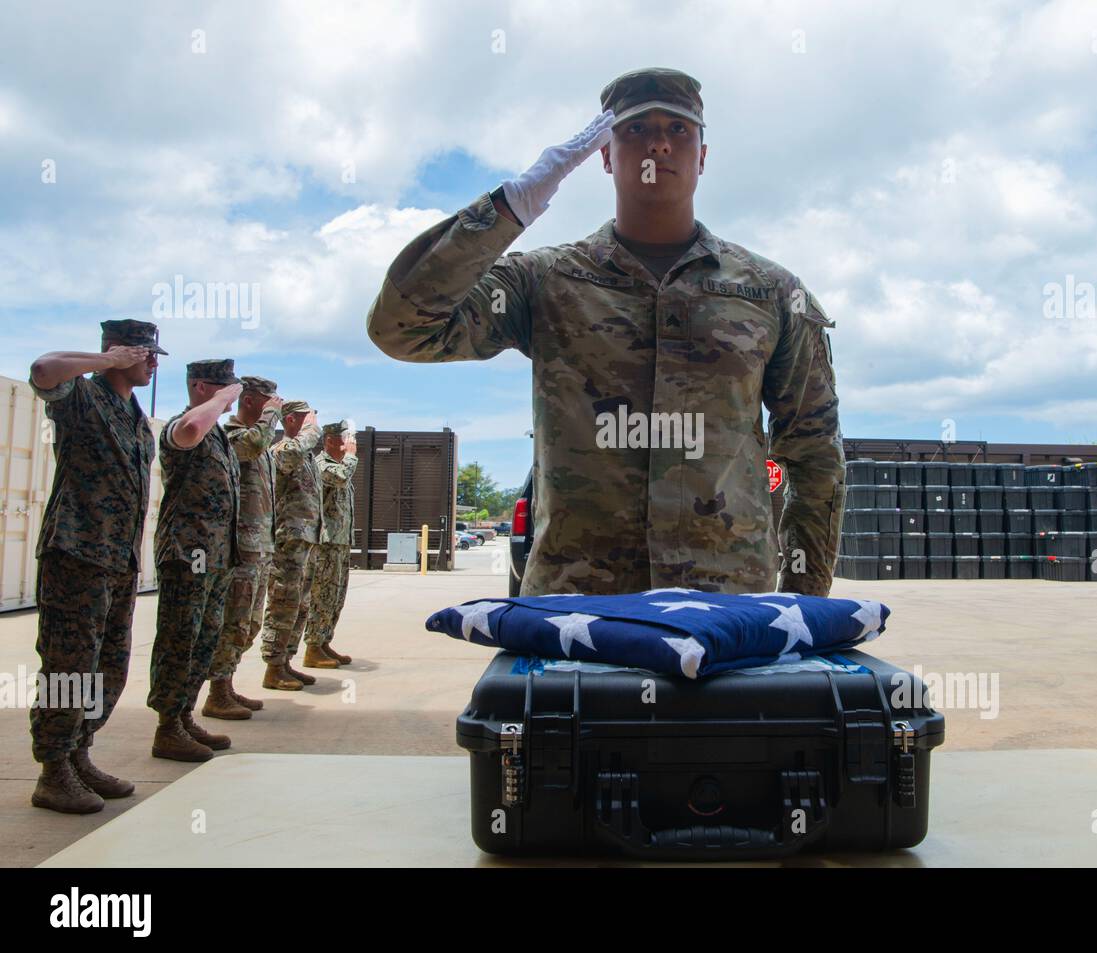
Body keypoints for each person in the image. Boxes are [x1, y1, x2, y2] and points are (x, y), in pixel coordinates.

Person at [366, 67, 845, 597]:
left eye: (678, 130)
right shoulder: (545, 281)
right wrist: (509, 207)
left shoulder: (773, 293)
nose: (659, 143)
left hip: (726, 606)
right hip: (574, 606)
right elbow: (402, 330)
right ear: (605, 155)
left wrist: (803, 605)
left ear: (703, 157)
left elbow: (814, 452)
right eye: (636, 129)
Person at [26, 320, 165, 813]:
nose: (153, 363)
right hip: (77, 555)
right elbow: (43, 370)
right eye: (148, 354)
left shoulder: (132, 413)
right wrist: (108, 360)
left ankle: (80, 753)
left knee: (109, 668)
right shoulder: (84, 397)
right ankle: (54, 770)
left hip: (119, 558)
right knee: (69, 666)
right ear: (120, 351)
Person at [148, 360, 244, 761]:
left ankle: (184, 715)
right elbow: (189, 431)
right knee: (179, 640)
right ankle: (167, 727)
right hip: (188, 553)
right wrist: (223, 398)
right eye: (223, 388)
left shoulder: (218, 436)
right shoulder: (183, 426)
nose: (231, 395)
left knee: (203, 640)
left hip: (215, 556)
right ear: (201, 387)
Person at [202, 376, 283, 719]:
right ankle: (216, 692)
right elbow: (252, 443)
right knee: (234, 620)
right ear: (249, 401)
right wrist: (271, 417)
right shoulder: (234, 436)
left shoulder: (261, 445)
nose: (274, 407)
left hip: (260, 545)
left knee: (248, 622)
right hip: (240, 547)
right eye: (268, 401)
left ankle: (228, 684)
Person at [261, 400, 323, 690]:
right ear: (288, 421)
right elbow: (290, 454)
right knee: (283, 603)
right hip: (288, 542)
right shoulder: (283, 451)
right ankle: (273, 667)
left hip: (307, 540)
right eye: (304, 418)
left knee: (300, 605)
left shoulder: (308, 457)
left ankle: (286, 662)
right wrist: (310, 432)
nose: (311, 423)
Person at [303, 422, 358, 668]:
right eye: (344, 438)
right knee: (322, 595)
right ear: (329, 440)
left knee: (336, 596)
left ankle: (324, 642)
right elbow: (341, 477)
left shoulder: (338, 465)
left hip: (340, 542)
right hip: (326, 544)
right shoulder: (322, 465)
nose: (348, 443)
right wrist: (351, 457)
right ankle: (312, 648)